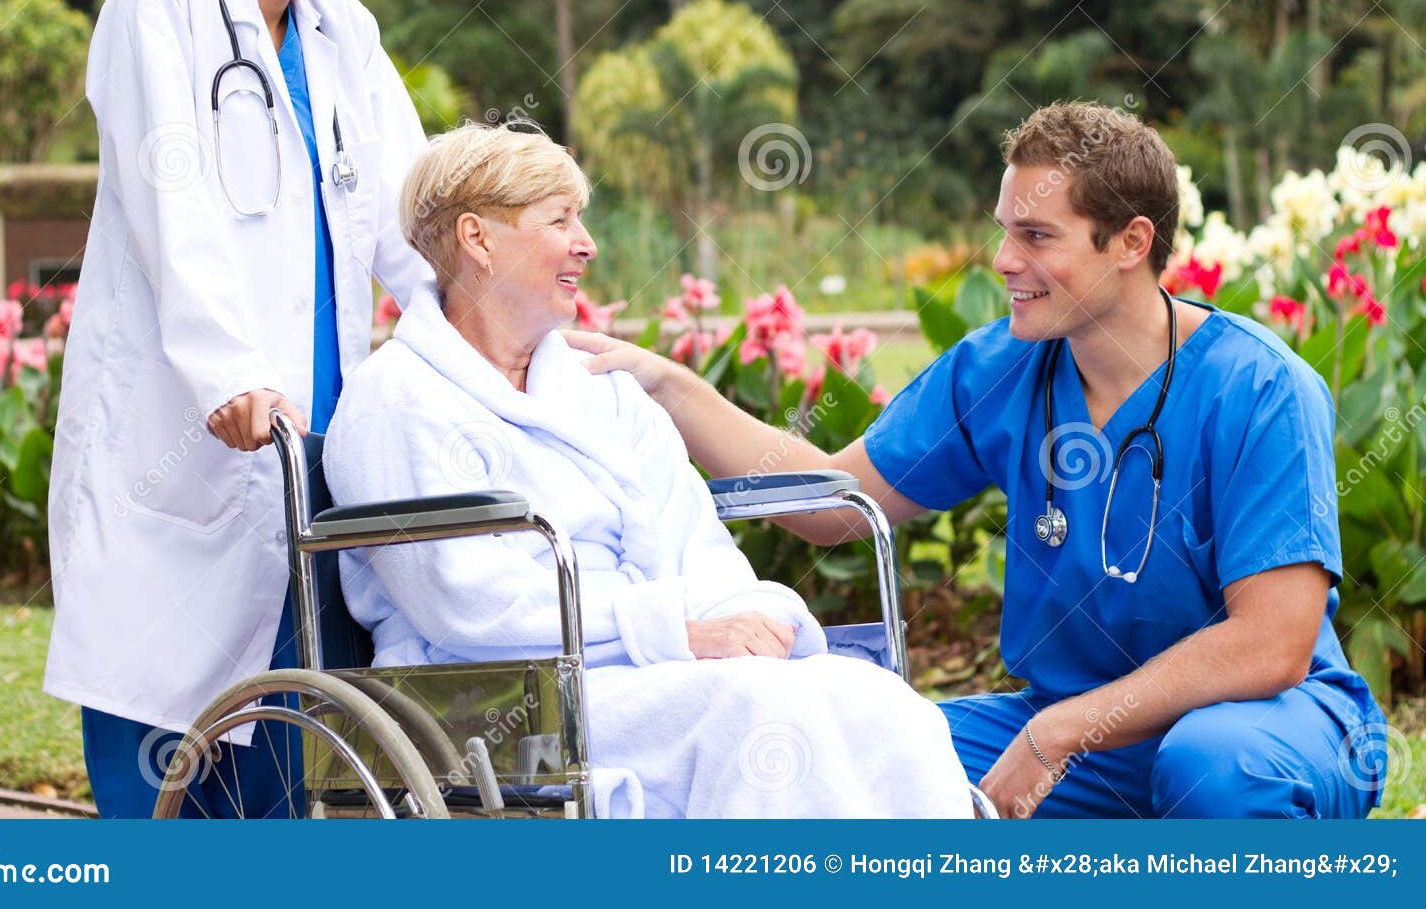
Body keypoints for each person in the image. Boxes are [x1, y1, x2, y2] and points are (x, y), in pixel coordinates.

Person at [569, 102, 1388, 819]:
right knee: (863, 757)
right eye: (1003, 228)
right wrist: (669, 385)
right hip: (1077, 731)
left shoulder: (1262, 386)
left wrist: (1061, 729)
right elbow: (831, 502)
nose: (1002, 259)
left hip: (1268, 719)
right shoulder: (998, 367)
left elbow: (1271, 645)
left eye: (1036, 235)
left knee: (1207, 769)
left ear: (1131, 241)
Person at [324, 123, 974, 818]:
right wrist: (674, 631)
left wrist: (744, 620)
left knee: (885, 706)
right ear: (478, 239)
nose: (588, 243)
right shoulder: (394, 398)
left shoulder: (600, 388)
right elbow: (467, 603)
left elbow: (694, 540)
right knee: (762, 716)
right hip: (490, 700)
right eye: (560, 220)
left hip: (636, 670)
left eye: (583, 218)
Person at [42, 0, 432, 818]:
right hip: (192, 428)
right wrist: (229, 374)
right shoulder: (158, 2)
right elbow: (172, 208)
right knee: (166, 740)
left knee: (291, 754)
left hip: (318, 440)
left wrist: (486, 326)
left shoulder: (345, 28)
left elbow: (407, 208)